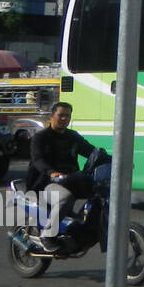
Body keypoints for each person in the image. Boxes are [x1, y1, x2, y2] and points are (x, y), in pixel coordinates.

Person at [28, 102, 98, 243]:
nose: (64, 119)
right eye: (61, 115)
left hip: (71, 180)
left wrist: (116, 162)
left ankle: (80, 229)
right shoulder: (40, 137)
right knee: (65, 197)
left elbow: (92, 152)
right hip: (46, 183)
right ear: (52, 116)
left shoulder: (72, 136)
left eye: (68, 116)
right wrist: (51, 172)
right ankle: (48, 235)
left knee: (99, 196)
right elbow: (37, 160)